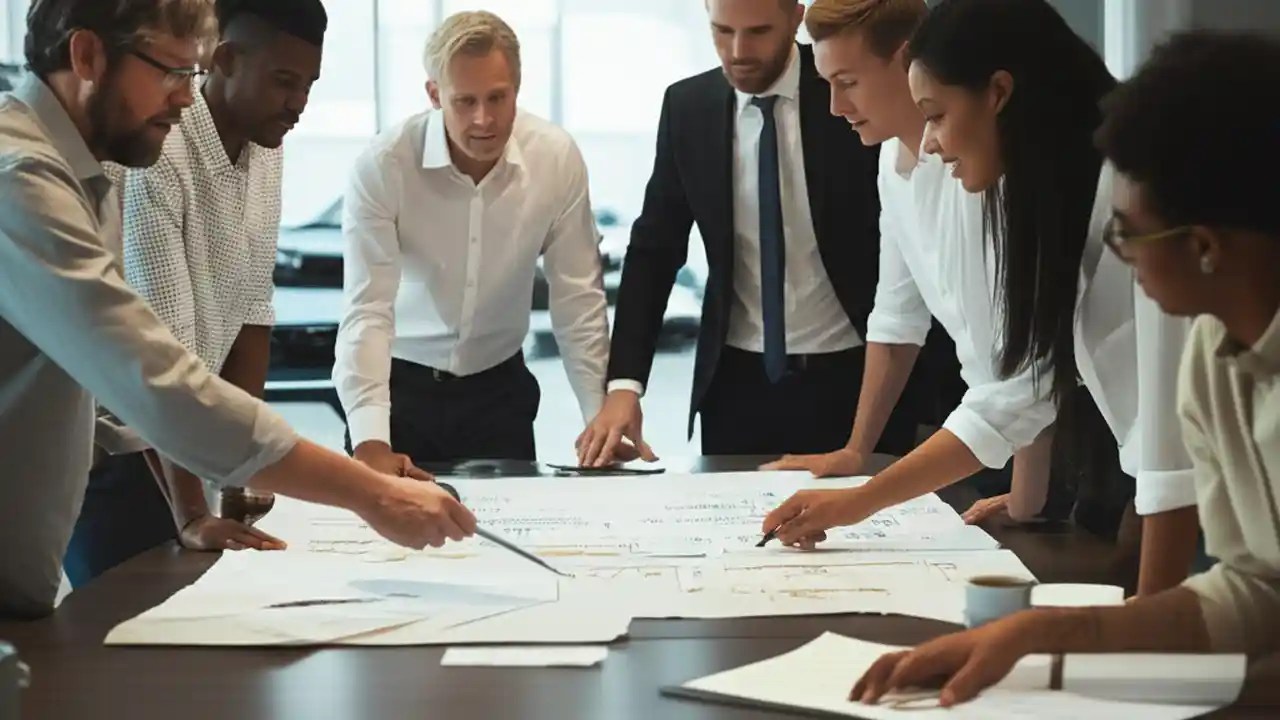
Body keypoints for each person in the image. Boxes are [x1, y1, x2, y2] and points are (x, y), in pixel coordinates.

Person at [0, 0, 474, 620]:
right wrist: (371, 495)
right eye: (172, 72)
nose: (184, 98)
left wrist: (235, 487)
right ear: (87, 56)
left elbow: (236, 316)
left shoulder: (86, 170)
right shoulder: (22, 178)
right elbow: (156, 378)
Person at [852, 30, 1280, 708]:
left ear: (1203, 246)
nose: (1122, 256)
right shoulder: (1214, 355)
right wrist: (1037, 635)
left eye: (1128, 234)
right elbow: (1257, 591)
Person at [762, 0, 1200, 596]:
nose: (934, 146)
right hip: (1174, 486)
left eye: (937, 116)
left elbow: (1168, 454)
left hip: (1213, 495)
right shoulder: (1054, 196)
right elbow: (1019, 383)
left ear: (998, 92)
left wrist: (1150, 626)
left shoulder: (1136, 197)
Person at [577, 0, 954, 464]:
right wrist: (624, 385)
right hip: (736, 384)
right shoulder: (688, 108)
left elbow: (906, 277)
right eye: (722, 31)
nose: (738, 50)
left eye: (757, 31)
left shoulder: (853, 96)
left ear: (795, 18)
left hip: (857, 372)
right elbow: (654, 251)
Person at [61, 0, 335, 586]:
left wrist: (236, 479)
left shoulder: (268, 149)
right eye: (284, 81)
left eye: (310, 84)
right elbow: (165, 352)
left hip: (187, 440)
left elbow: (252, 316)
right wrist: (191, 511)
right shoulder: (161, 147)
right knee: (135, 653)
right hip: (122, 451)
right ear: (225, 60)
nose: (299, 103)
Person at [761, 0, 1065, 525]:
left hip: (1078, 443)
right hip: (1014, 434)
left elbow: (1024, 378)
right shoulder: (890, 162)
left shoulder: (978, 169)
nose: (834, 106)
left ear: (907, 60)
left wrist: (861, 500)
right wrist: (857, 452)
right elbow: (898, 316)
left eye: (848, 81)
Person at [333, 10, 610, 471]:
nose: (484, 119)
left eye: (497, 98)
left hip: (498, 392)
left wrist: (598, 416)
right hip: (400, 387)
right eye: (464, 102)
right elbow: (368, 310)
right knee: (380, 539)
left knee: (508, 533)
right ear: (434, 94)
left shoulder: (555, 158)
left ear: (517, 89)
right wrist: (370, 442)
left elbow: (577, 297)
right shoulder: (384, 164)